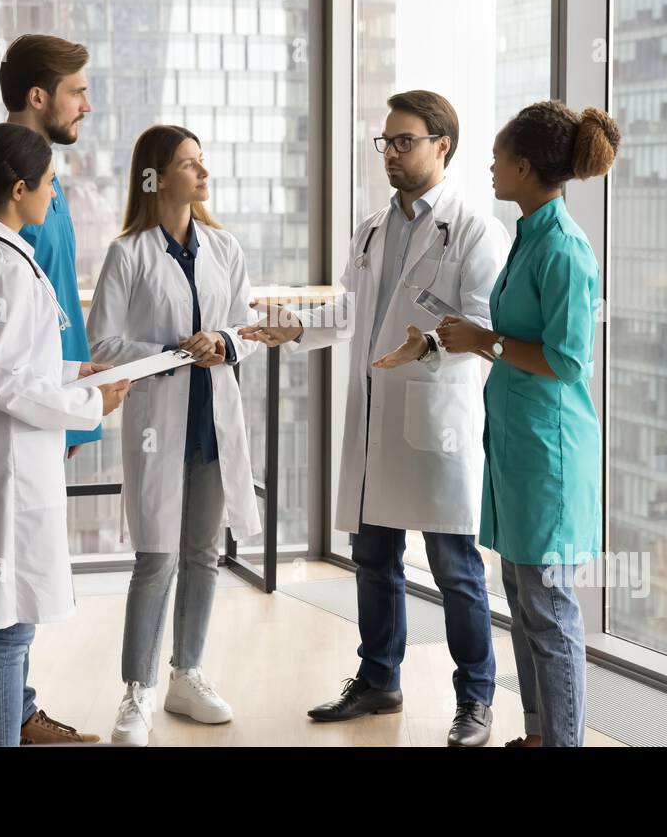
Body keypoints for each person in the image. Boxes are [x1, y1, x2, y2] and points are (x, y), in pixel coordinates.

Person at [240, 91, 509, 746]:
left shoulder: (474, 228)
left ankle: (476, 698)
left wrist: (429, 344)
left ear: (441, 145)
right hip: (377, 420)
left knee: (455, 566)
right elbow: (351, 313)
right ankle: (378, 678)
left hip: (435, 417)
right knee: (374, 555)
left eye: (403, 141)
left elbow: (484, 326)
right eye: (385, 142)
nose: (390, 153)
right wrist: (293, 326)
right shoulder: (370, 228)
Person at [0, 122, 131, 747]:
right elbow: (3, 380)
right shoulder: (2, 264)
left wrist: (75, 371)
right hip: (6, 471)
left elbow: (2, 361)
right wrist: (89, 401)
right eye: (49, 183)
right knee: (8, 629)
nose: (54, 194)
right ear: (19, 188)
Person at [434, 101, 619, 746]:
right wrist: (476, 339)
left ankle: (565, 743)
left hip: (550, 452)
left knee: (550, 609)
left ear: (522, 165)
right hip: (516, 444)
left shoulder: (565, 249)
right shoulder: (530, 235)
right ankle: (541, 733)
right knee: (522, 597)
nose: (488, 166)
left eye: (495, 157)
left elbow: (568, 360)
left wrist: (482, 339)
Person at [86, 125, 260, 747]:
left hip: (213, 423)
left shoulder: (224, 246)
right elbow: (101, 345)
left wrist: (224, 343)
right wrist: (171, 352)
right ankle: (138, 693)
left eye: (202, 161)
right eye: (189, 164)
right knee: (155, 558)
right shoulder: (128, 252)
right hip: (161, 423)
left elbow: (245, 328)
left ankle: (187, 673)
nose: (202, 172)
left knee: (203, 555)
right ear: (156, 177)